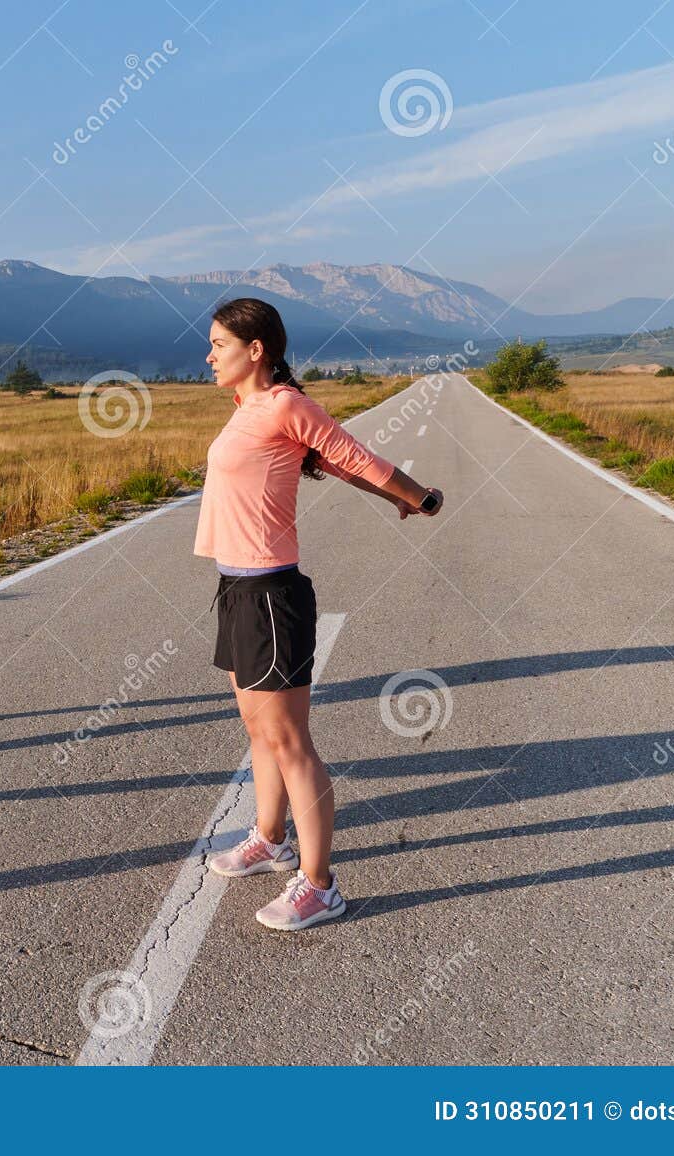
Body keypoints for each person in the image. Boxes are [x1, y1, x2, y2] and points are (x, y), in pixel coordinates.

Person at [196, 299, 443, 931]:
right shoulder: (249, 406)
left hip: (271, 593)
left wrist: (416, 496)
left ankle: (320, 884)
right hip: (236, 588)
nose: (209, 354)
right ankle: (271, 837)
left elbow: (351, 455)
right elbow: (331, 465)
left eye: (219, 343)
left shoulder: (286, 405)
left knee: (289, 741)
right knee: (259, 732)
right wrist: (390, 495)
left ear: (256, 349)